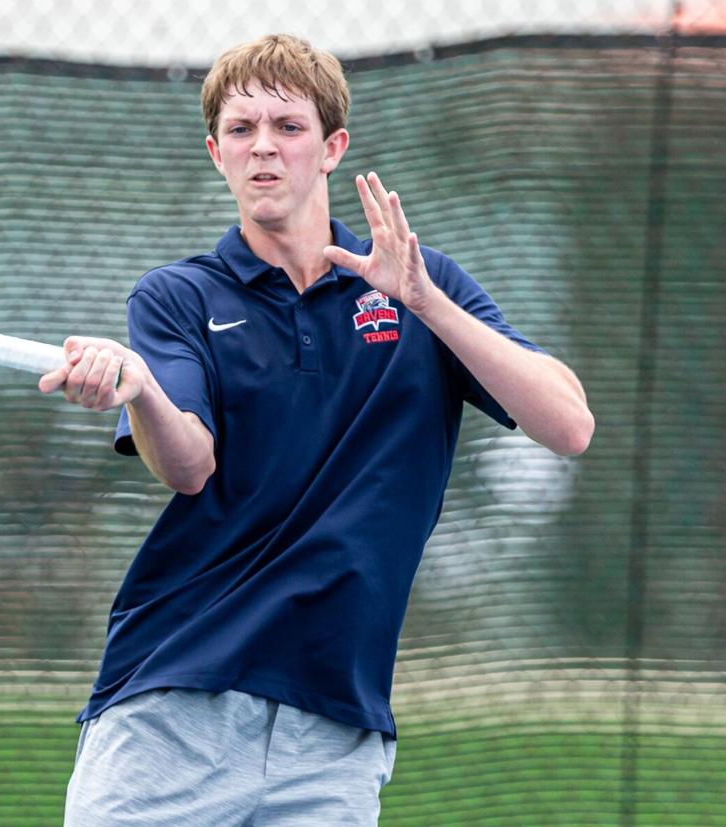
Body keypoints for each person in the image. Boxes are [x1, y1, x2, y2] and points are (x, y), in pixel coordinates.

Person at [40, 33, 594, 826]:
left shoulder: (420, 281)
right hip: (176, 697)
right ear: (217, 153)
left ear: (332, 147)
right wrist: (142, 392)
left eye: (288, 126)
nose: (263, 146)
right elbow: (189, 464)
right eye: (241, 129)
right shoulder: (177, 297)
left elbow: (569, 424)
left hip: (336, 727)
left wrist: (424, 302)